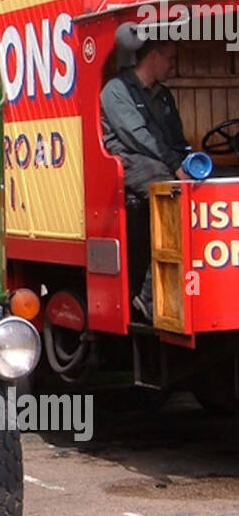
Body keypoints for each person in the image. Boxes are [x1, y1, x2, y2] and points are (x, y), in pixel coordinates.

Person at [100, 24, 189, 320]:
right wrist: (176, 168)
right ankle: (149, 298)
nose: (173, 67)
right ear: (153, 57)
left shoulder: (163, 96)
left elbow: (176, 139)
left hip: (160, 162)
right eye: (171, 60)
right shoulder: (116, 91)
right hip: (129, 162)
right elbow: (138, 137)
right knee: (173, 194)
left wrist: (189, 162)